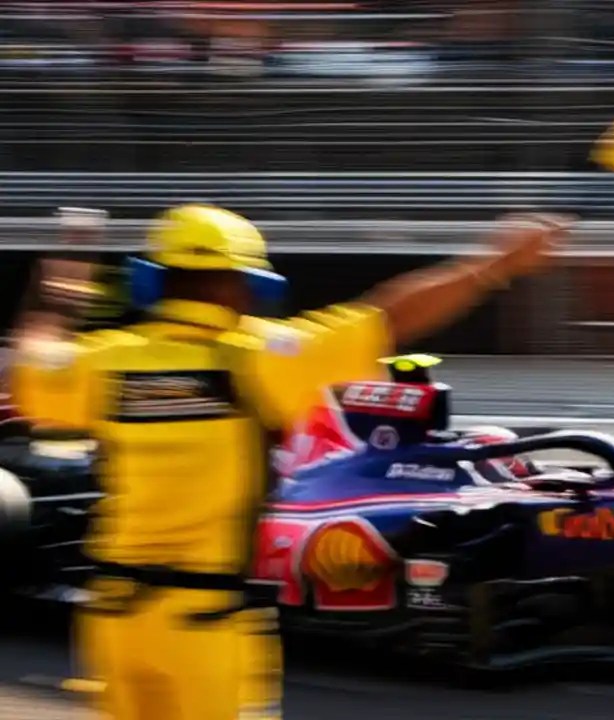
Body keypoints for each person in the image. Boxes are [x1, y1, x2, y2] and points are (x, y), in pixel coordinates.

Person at [8, 203, 572, 720]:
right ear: (242, 284)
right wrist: (495, 265)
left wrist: (59, 290)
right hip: (205, 626)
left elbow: (31, 367)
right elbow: (386, 319)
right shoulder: (258, 358)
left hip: (114, 621)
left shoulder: (105, 363)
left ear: (155, 279)